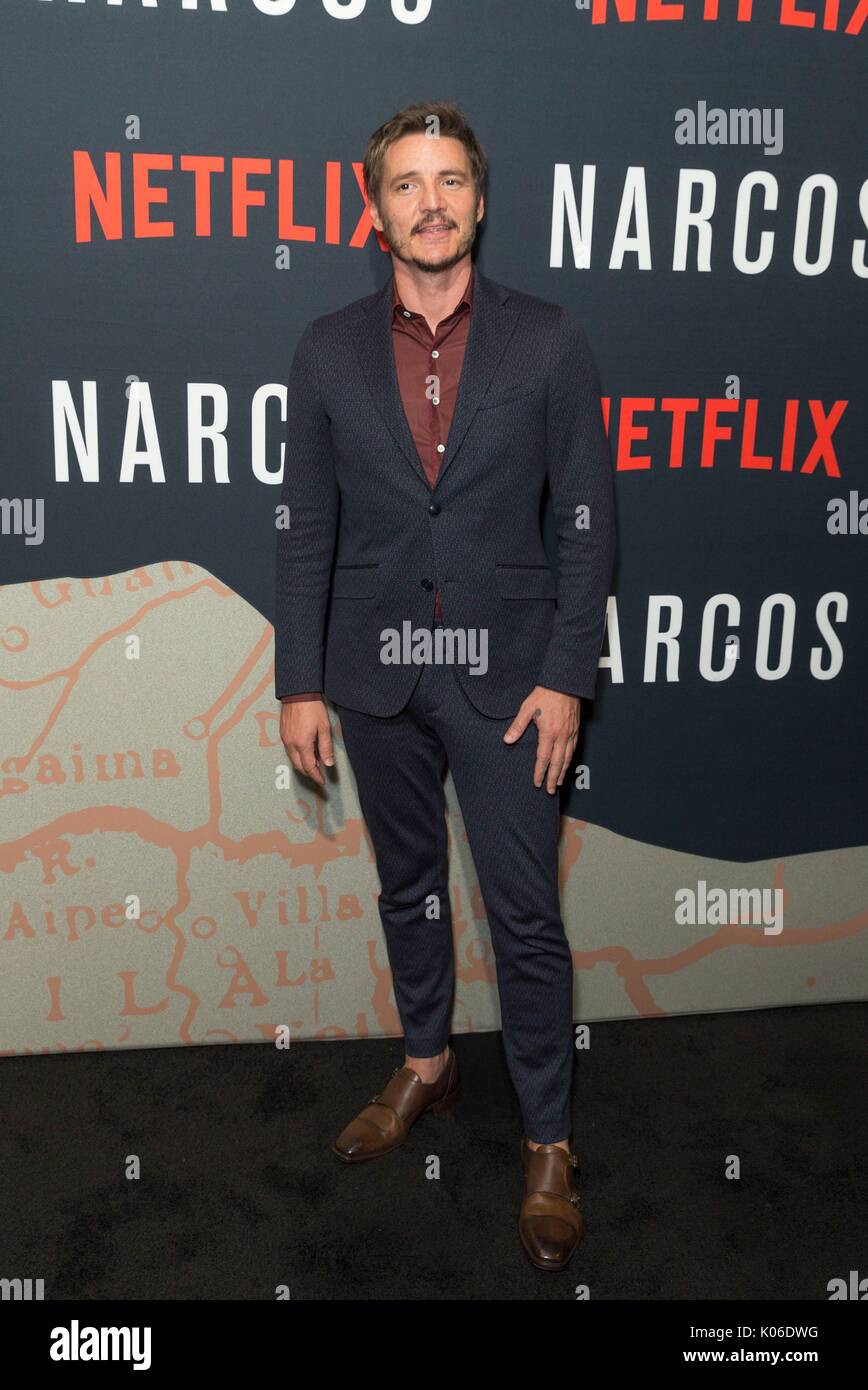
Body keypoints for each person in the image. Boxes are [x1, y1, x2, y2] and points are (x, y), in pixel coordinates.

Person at [274, 101, 616, 1271]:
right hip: (374, 679)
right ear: (374, 211)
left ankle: (549, 1139)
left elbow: (586, 524)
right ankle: (427, 1061)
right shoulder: (325, 348)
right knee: (407, 885)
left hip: (511, 683)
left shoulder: (551, 340)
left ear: (479, 199)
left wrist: (567, 675)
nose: (431, 201)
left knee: (525, 914)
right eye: (408, 183)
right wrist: (299, 681)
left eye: (451, 181)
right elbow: (306, 525)